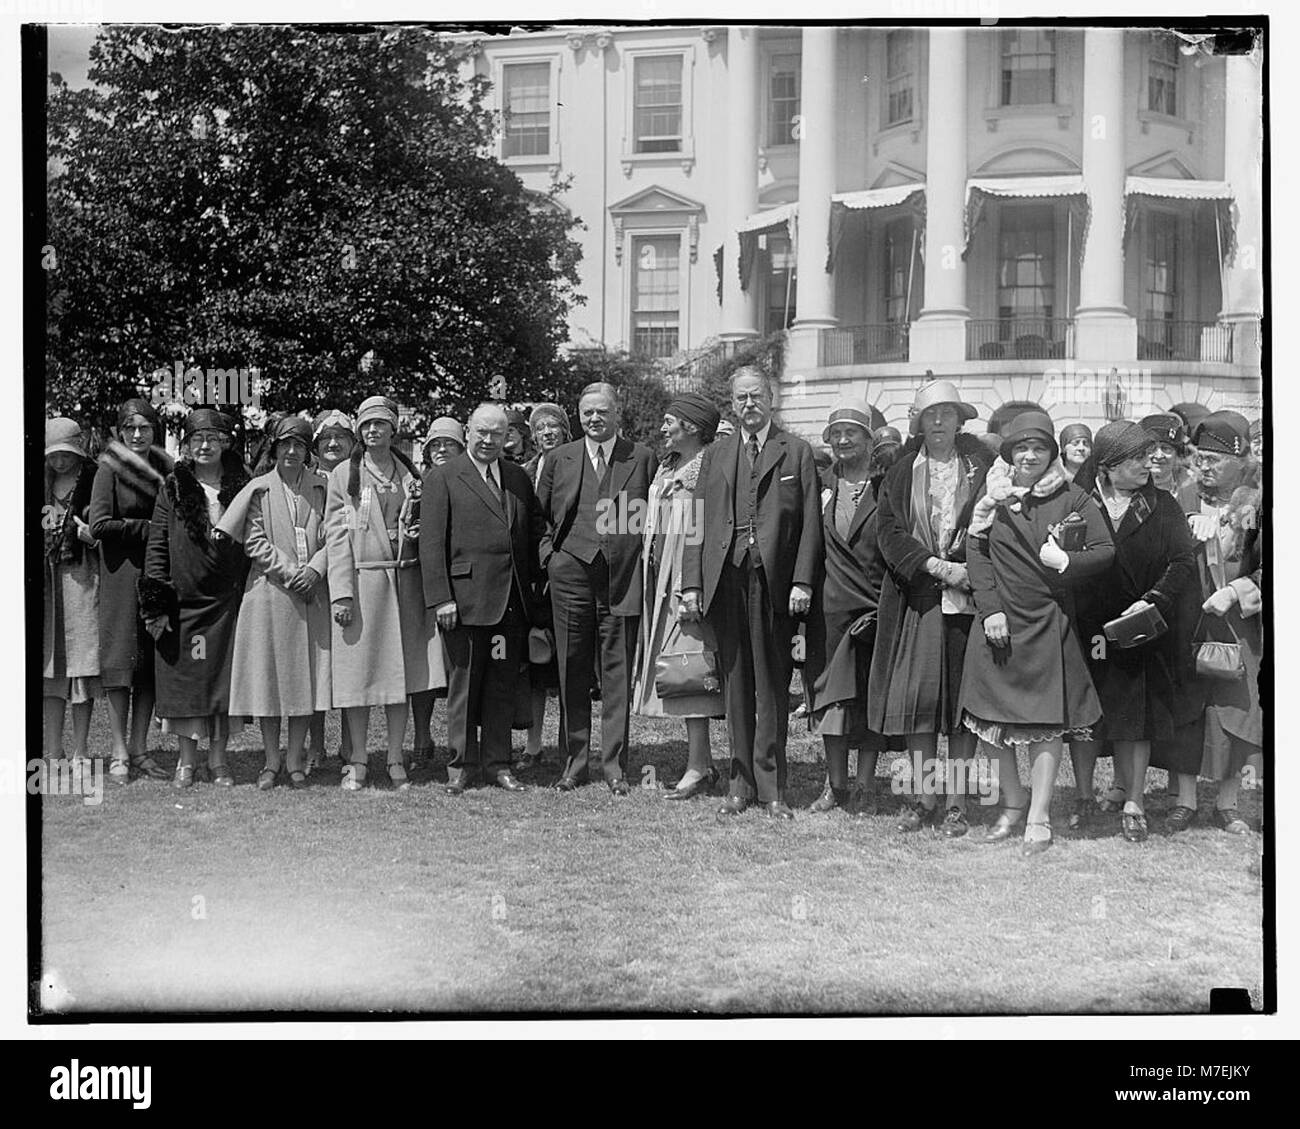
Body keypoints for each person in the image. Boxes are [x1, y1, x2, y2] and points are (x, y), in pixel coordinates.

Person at [959, 410, 1115, 854]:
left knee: (1046, 725)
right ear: (1009, 453)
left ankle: (1040, 816)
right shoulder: (992, 497)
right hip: (998, 624)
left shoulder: (1072, 496)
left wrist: (1067, 563)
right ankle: (1012, 803)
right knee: (992, 721)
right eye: (1021, 448)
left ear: (1052, 454)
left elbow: (1105, 550)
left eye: (1039, 448)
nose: (1029, 455)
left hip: (1049, 622)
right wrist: (990, 610)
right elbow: (977, 552)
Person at [680, 367, 822, 821]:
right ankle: (740, 785)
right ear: (732, 403)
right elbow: (697, 526)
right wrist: (691, 587)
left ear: (772, 398)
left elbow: (810, 529)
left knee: (773, 686)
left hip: (775, 583)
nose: (748, 405)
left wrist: (802, 580)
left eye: (756, 396)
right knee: (736, 686)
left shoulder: (796, 452)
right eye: (740, 398)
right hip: (726, 581)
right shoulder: (716, 455)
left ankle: (772, 788)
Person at [868, 380, 994, 838]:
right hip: (919, 597)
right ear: (918, 423)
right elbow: (889, 533)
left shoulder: (983, 468)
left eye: (946, 413)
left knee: (962, 705)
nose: (938, 422)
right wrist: (939, 567)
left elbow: (995, 525)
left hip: (971, 598)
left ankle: (957, 800)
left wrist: (970, 571)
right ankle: (924, 797)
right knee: (919, 702)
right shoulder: (901, 473)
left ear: (960, 419)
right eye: (929, 415)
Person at [1068, 422, 1202, 841]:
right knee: (1086, 717)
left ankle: (1134, 802)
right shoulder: (1079, 503)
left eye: (1150, 456)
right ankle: (1084, 796)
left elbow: (1182, 562)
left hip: (1138, 628)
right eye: (1138, 458)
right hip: (1088, 626)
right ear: (1107, 467)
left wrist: (1154, 600)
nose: (1149, 464)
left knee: (1135, 716)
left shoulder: (1162, 505)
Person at [537, 382, 657, 794]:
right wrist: (550, 559)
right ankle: (574, 762)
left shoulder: (641, 458)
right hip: (569, 572)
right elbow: (541, 518)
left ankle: (614, 765)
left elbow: (649, 519)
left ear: (617, 413)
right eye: (587, 412)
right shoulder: (560, 458)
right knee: (570, 668)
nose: (593, 419)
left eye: (602, 411)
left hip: (620, 577)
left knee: (616, 673)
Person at [326, 395, 447, 791]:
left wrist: (413, 536)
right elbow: (337, 536)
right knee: (358, 678)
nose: (373, 430)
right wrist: (341, 592)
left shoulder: (411, 475)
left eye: (381, 424)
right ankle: (358, 760)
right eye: (367, 424)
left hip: (404, 585)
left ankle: (396, 758)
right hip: (363, 585)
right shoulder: (345, 474)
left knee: (402, 678)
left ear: (394, 429)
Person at [420, 404, 541, 794]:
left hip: (509, 606)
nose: (489, 441)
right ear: (468, 432)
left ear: (508, 436)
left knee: (502, 684)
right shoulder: (444, 478)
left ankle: (498, 764)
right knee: (465, 687)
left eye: (498, 434)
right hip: (465, 606)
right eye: (481, 432)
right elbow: (432, 542)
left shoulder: (517, 478)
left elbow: (531, 531)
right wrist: (442, 598)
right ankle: (460, 766)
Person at [139, 409, 250, 789]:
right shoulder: (172, 486)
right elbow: (157, 547)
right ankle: (186, 762)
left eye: (213, 439)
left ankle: (218, 761)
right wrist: (155, 604)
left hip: (226, 604)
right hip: (185, 605)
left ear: (225, 443)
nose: (205, 446)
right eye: (196, 440)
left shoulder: (243, 484)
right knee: (186, 683)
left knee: (223, 681)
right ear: (186, 446)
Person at [221, 415, 332, 790]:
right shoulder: (260, 489)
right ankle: (270, 761)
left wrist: (315, 570)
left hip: (310, 595)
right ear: (273, 448)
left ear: (307, 451)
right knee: (268, 681)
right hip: (270, 593)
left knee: (304, 682)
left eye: (299, 445)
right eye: (284, 444)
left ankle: (296, 759)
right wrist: (292, 573)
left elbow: (337, 535)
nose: (291, 451)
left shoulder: (322, 488)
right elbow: (254, 542)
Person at [1169, 411, 1263, 834]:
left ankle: (1228, 803)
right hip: (1189, 622)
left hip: (1238, 626)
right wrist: (1185, 539)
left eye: (1215, 460)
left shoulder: (1257, 504)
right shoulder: (1183, 498)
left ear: (1240, 459)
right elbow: (1162, 558)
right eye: (1200, 458)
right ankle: (1184, 801)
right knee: (1189, 711)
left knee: (1236, 710)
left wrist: (1237, 589)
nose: (1204, 468)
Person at [632, 393, 724, 800]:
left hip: (689, 586)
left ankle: (700, 767)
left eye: (670, 421)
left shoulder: (711, 467)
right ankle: (703, 763)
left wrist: (693, 588)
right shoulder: (667, 466)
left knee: (693, 672)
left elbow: (708, 530)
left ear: (691, 426)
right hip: (661, 581)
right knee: (686, 671)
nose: (664, 427)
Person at [804, 401, 889, 815]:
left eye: (851, 432)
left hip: (874, 608)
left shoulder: (887, 486)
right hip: (829, 610)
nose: (841, 440)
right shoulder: (818, 484)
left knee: (871, 701)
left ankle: (866, 785)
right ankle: (834, 785)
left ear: (869, 440)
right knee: (830, 698)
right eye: (835, 433)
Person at [89, 399, 173, 782]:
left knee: (150, 665)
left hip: (158, 573)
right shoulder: (109, 469)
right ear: (121, 432)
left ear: (155, 431)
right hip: (121, 575)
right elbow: (100, 525)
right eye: (130, 428)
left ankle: (139, 748)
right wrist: (150, 528)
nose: (137, 435)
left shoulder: (167, 469)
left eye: (144, 428)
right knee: (121, 662)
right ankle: (118, 751)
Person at [43, 418, 103, 771]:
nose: (60, 462)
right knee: (50, 669)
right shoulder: (39, 483)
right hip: (49, 584)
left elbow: (104, 530)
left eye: (66, 454)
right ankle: (52, 750)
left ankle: (80, 750)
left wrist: (90, 537)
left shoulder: (94, 482)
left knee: (82, 667)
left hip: (83, 578)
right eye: (54, 456)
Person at [517, 402, 570, 770]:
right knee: (535, 664)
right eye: (541, 427)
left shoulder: (580, 464)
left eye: (554, 425)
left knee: (571, 665)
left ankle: (570, 744)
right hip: (532, 578)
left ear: (566, 431)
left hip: (569, 576)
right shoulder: (524, 473)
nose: (547, 432)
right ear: (532, 436)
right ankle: (533, 745)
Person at [307, 408, 356, 769]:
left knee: (351, 663)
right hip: (312, 586)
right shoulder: (306, 480)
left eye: (341, 437)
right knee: (317, 667)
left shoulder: (358, 478)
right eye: (326, 439)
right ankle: (316, 744)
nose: (334, 444)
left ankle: (351, 744)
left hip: (349, 578)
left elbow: (349, 532)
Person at [1141, 413, 1199, 512]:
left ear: (1177, 454)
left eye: (1166, 448)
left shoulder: (1192, 485)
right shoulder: (1128, 486)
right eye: (1151, 448)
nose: (1159, 456)